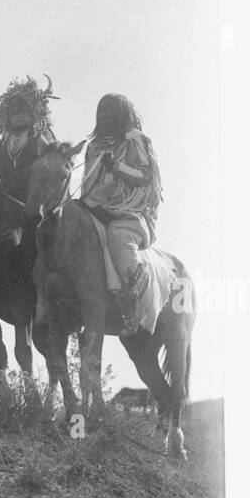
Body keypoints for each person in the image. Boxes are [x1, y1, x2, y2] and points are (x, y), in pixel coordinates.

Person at [78, 93, 163, 336]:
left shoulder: (135, 140)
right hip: (95, 206)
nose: (104, 116)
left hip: (130, 212)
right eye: (101, 111)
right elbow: (87, 183)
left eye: (110, 112)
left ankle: (132, 299)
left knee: (117, 237)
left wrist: (117, 166)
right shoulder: (93, 147)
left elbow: (146, 177)